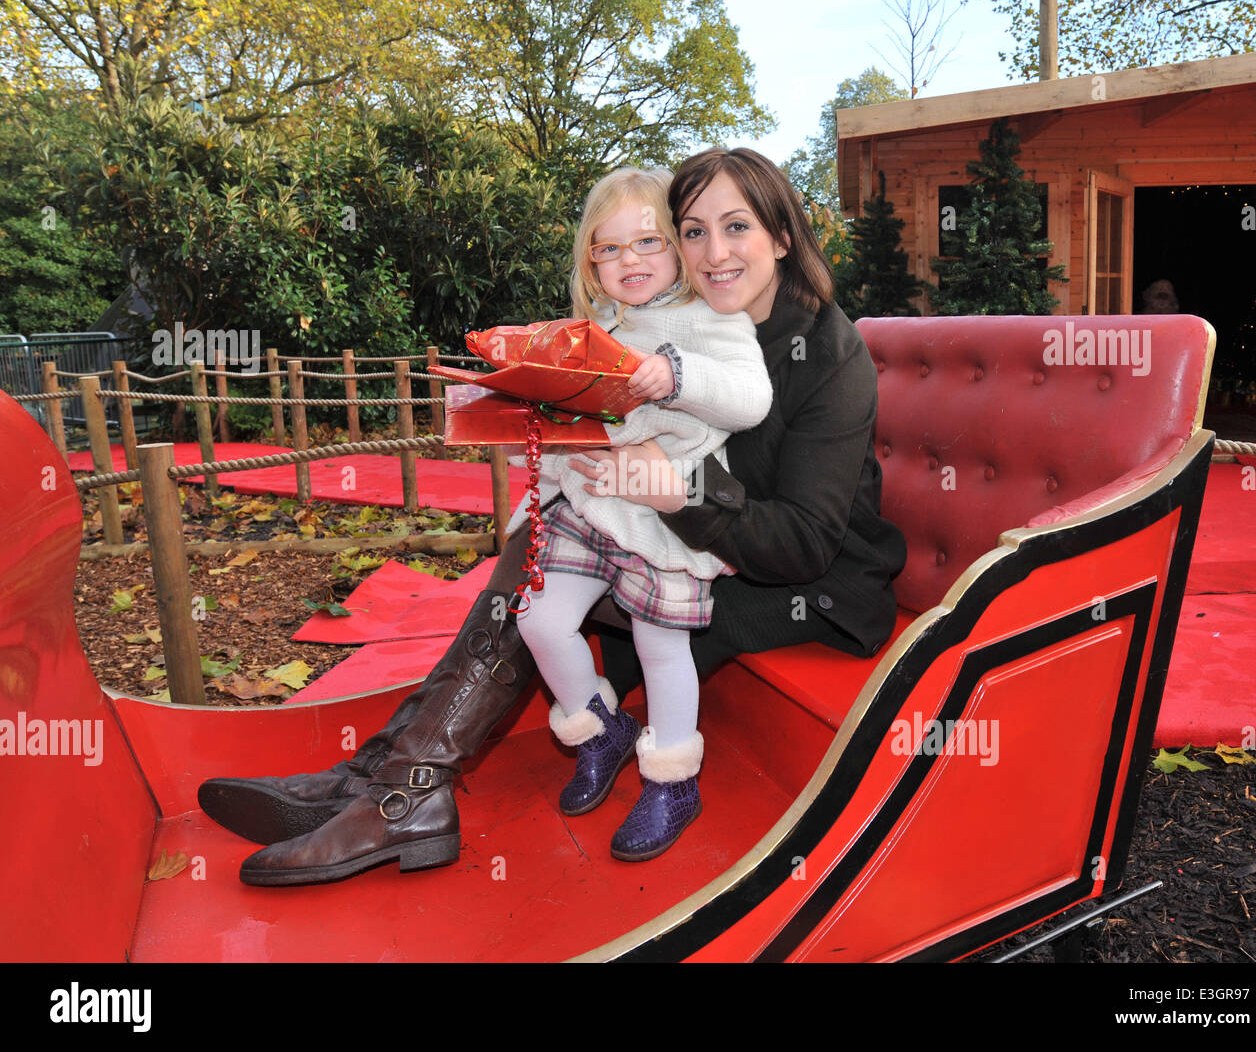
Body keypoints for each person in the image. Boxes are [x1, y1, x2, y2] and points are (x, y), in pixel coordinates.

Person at [200, 147, 907, 887]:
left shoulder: (825, 351)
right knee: (538, 553)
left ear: (783, 236)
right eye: (692, 231)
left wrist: (677, 492)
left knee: (546, 557)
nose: (714, 252)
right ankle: (385, 777)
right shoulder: (673, 317)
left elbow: (803, 543)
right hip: (676, 536)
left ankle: (397, 785)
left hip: (798, 582)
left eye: (737, 228)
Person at [508, 166, 772, 862]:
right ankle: (601, 729)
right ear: (590, 262)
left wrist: (678, 374)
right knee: (536, 616)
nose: (630, 260)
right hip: (594, 505)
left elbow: (750, 398)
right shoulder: (590, 329)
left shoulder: (712, 320)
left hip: (666, 518)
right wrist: (527, 423)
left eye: (649, 242)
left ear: (680, 251)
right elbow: (570, 415)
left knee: (662, 647)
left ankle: (673, 779)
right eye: (610, 247)